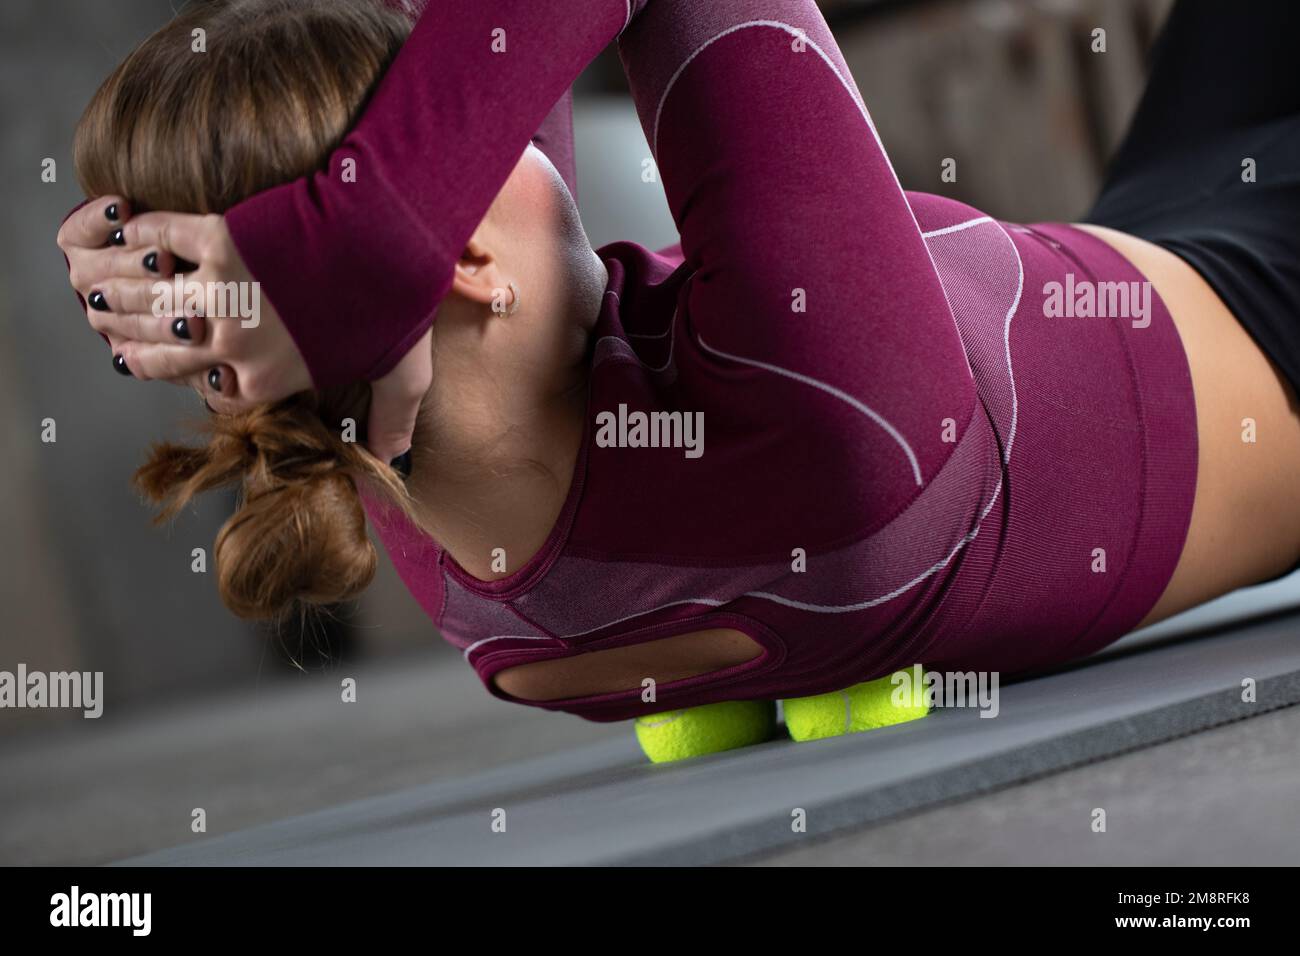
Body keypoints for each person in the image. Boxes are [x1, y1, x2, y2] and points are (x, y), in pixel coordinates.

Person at [56, 0, 1300, 760]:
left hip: (1175, 216)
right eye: (467, 155)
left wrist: (301, 276)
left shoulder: (457, 564)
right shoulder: (798, 401)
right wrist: (372, 230)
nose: (513, 124)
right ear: (471, 249)